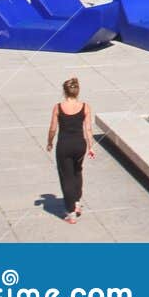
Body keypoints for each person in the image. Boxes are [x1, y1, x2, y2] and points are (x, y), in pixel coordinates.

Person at [46, 77, 94, 223]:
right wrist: (91, 146)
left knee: (66, 177)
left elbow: (53, 128)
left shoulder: (58, 107)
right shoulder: (85, 107)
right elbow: (88, 129)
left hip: (64, 145)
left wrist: (49, 142)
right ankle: (77, 201)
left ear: (64, 91)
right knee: (77, 172)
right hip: (79, 145)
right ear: (77, 91)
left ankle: (71, 211)